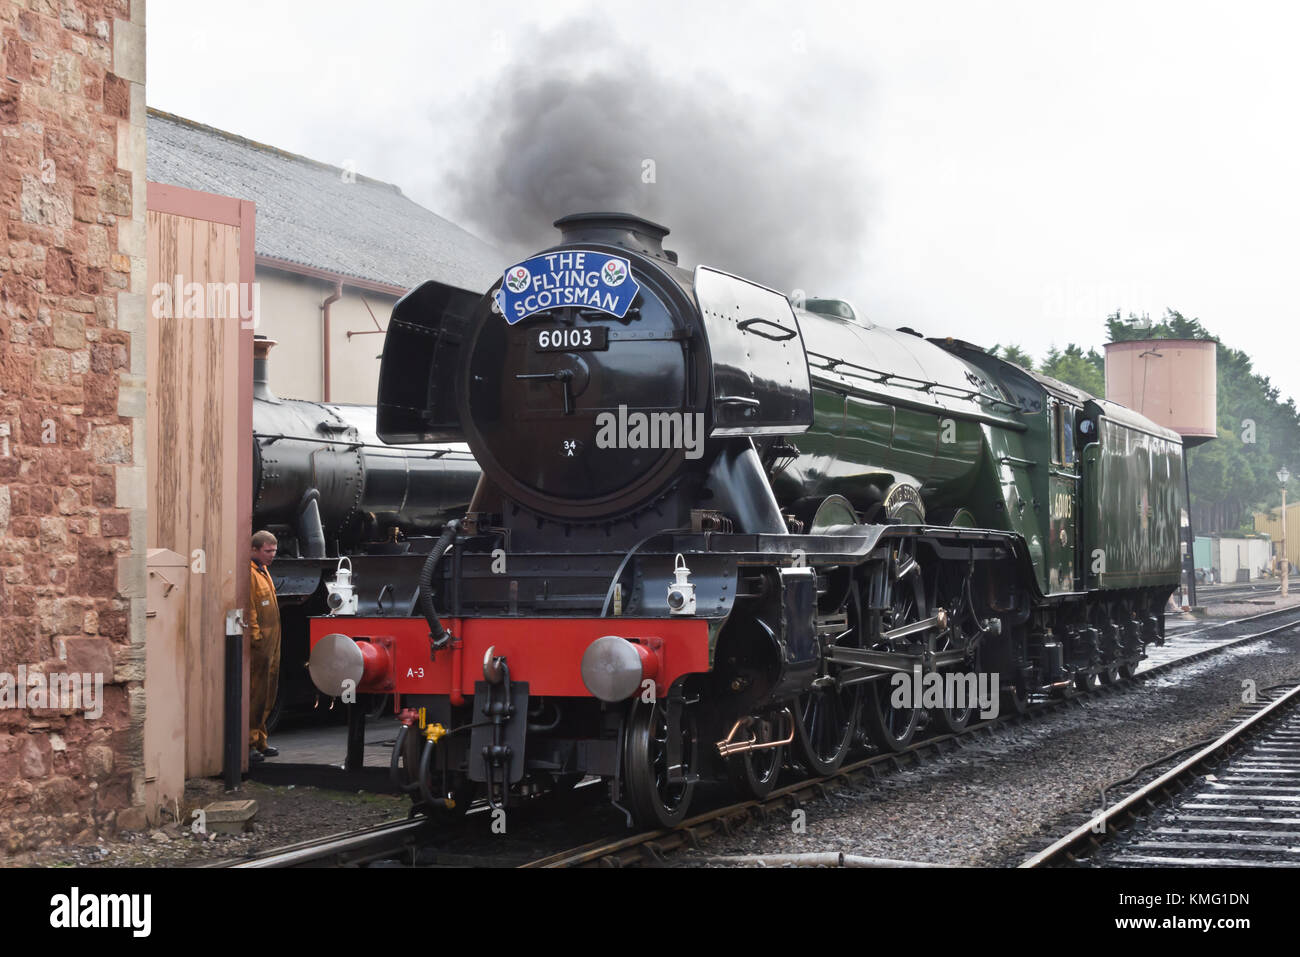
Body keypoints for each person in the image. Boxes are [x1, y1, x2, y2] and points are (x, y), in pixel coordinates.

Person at [248, 530, 281, 763]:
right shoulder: (250, 574)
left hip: (273, 643)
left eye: (274, 551)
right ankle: (249, 742)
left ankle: (261, 739)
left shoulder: (263, 571)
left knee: (268, 693)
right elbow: (250, 609)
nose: (272, 555)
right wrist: (256, 639)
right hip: (261, 645)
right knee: (255, 694)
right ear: (255, 550)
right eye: (268, 551)